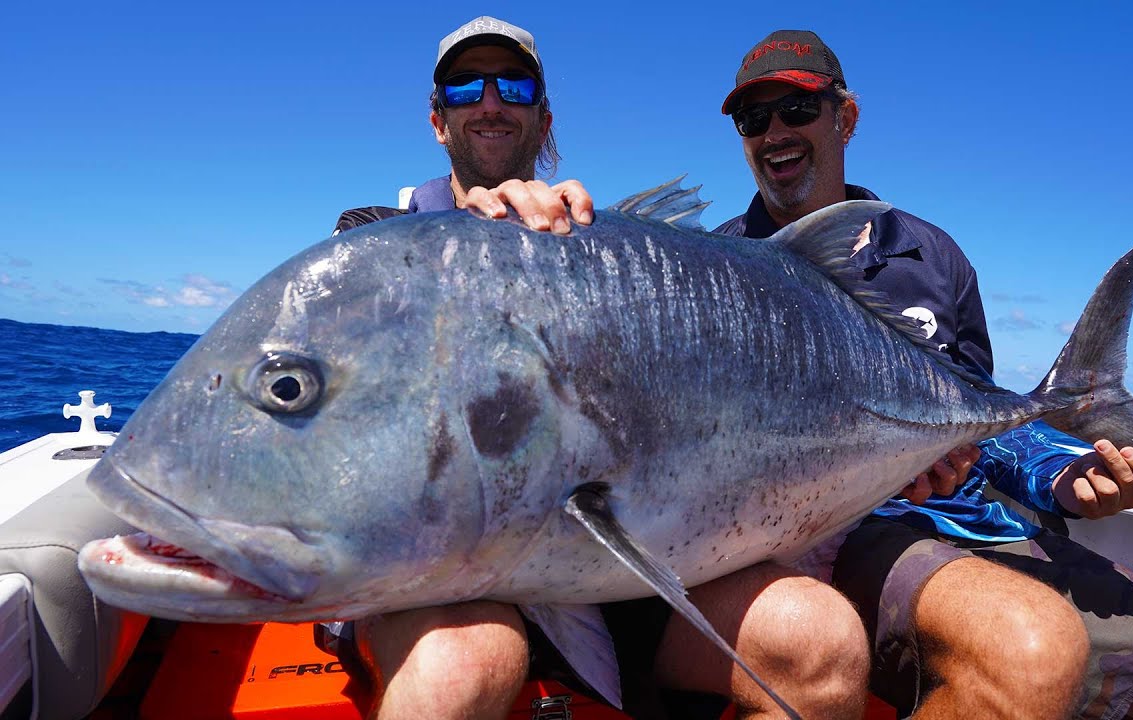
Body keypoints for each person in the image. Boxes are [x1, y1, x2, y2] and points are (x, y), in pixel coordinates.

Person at [481, 28, 1133, 720]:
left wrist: (1064, 481)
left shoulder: (930, 256)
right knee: (1032, 651)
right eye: (752, 118)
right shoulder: (711, 272)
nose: (775, 131)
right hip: (853, 535)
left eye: (796, 108)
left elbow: (977, 420)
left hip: (988, 528)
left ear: (845, 116)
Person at [327, 17, 872, 720]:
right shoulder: (368, 241)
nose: (490, 102)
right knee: (457, 671)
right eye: (465, 87)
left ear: (543, 119)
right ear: (438, 118)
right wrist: (470, 240)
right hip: (441, 570)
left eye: (513, 86)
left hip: (602, 567)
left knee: (817, 643)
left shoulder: (589, 251)